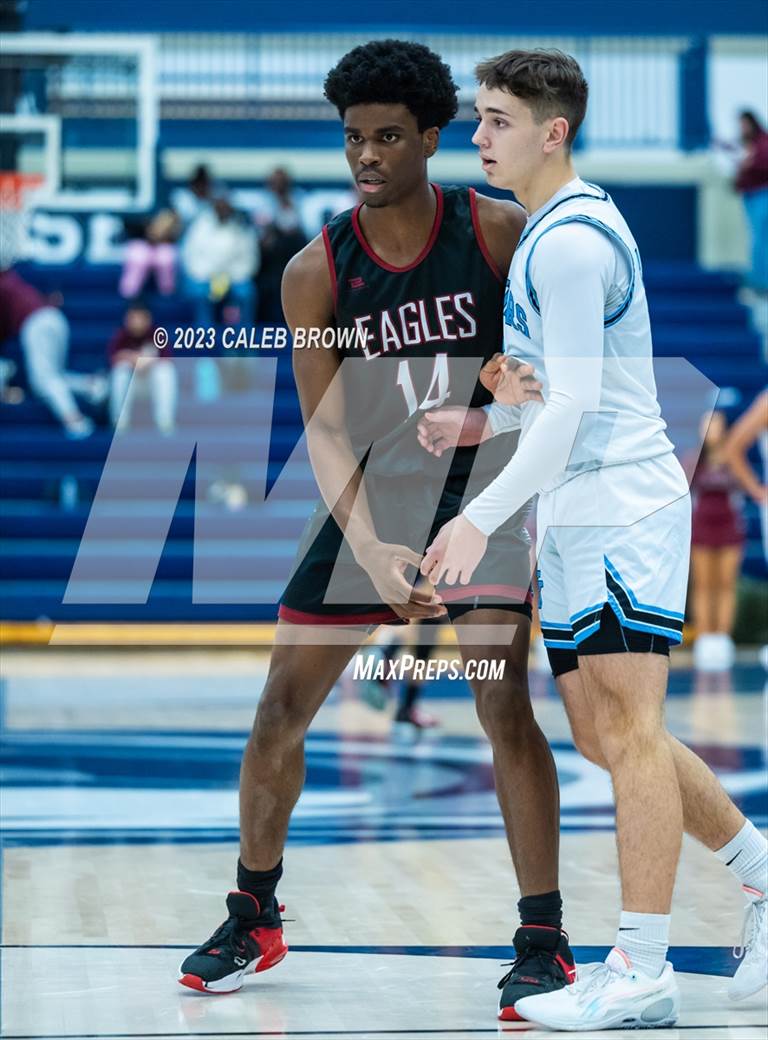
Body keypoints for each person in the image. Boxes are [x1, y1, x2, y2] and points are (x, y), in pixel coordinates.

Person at [179, 40, 575, 1018]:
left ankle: (544, 936)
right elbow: (322, 427)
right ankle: (254, 911)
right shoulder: (315, 272)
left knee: (500, 705)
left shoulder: (498, 233)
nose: (366, 155)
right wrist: (368, 548)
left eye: (389, 136)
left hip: (483, 496)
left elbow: (550, 383)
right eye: (354, 137)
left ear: (431, 138)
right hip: (371, 503)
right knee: (279, 707)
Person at [420, 49, 768, 1028]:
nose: (478, 136)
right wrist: (480, 426)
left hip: (618, 503)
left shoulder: (573, 241)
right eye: (478, 118)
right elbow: (554, 396)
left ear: (551, 131)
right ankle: (761, 870)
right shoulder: (547, 235)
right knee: (603, 735)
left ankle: (644, 964)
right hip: (575, 507)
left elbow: (573, 412)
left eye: (493, 120)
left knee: (633, 733)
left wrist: (476, 514)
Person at [0, 266, 104, 437]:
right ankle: (92, 386)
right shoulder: (12, 279)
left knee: (44, 380)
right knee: (54, 375)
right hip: (54, 318)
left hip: (36, 323)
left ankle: (74, 420)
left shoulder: (3, 284)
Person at [689, 411, 746, 671]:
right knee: (703, 585)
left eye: (715, 425)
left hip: (729, 527)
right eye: (706, 425)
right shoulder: (693, 460)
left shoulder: (734, 458)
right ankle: (704, 638)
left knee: (725, 584)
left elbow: (746, 487)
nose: (710, 430)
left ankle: (722, 638)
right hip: (701, 526)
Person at [180, 195, 259, 329]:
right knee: (199, 294)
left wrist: (229, 278)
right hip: (204, 277)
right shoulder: (200, 225)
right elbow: (190, 256)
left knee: (246, 293)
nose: (222, 210)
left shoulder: (242, 227)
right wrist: (211, 277)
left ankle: (243, 342)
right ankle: (204, 340)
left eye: (226, 207)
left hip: (235, 278)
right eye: (219, 207)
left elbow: (250, 259)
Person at [107, 301, 177, 434]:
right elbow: (112, 359)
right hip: (131, 386)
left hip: (151, 384)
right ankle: (120, 422)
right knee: (121, 371)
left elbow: (167, 359)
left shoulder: (158, 335)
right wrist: (130, 358)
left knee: (165, 371)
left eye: (140, 318)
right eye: (133, 318)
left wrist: (147, 360)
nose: (136, 322)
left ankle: (165, 422)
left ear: (148, 319)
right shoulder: (121, 336)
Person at [734, 112, 768, 298]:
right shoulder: (750, 144)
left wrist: (750, 162)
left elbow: (760, 165)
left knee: (761, 240)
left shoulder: (762, 143)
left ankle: (761, 283)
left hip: (761, 194)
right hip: (751, 195)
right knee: (757, 238)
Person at [119, 209, 181, 299]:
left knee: (165, 256)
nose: (161, 229)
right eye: (159, 224)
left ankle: (166, 300)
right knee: (140, 255)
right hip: (131, 296)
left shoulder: (169, 252)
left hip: (165, 296)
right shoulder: (137, 248)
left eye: (166, 227)